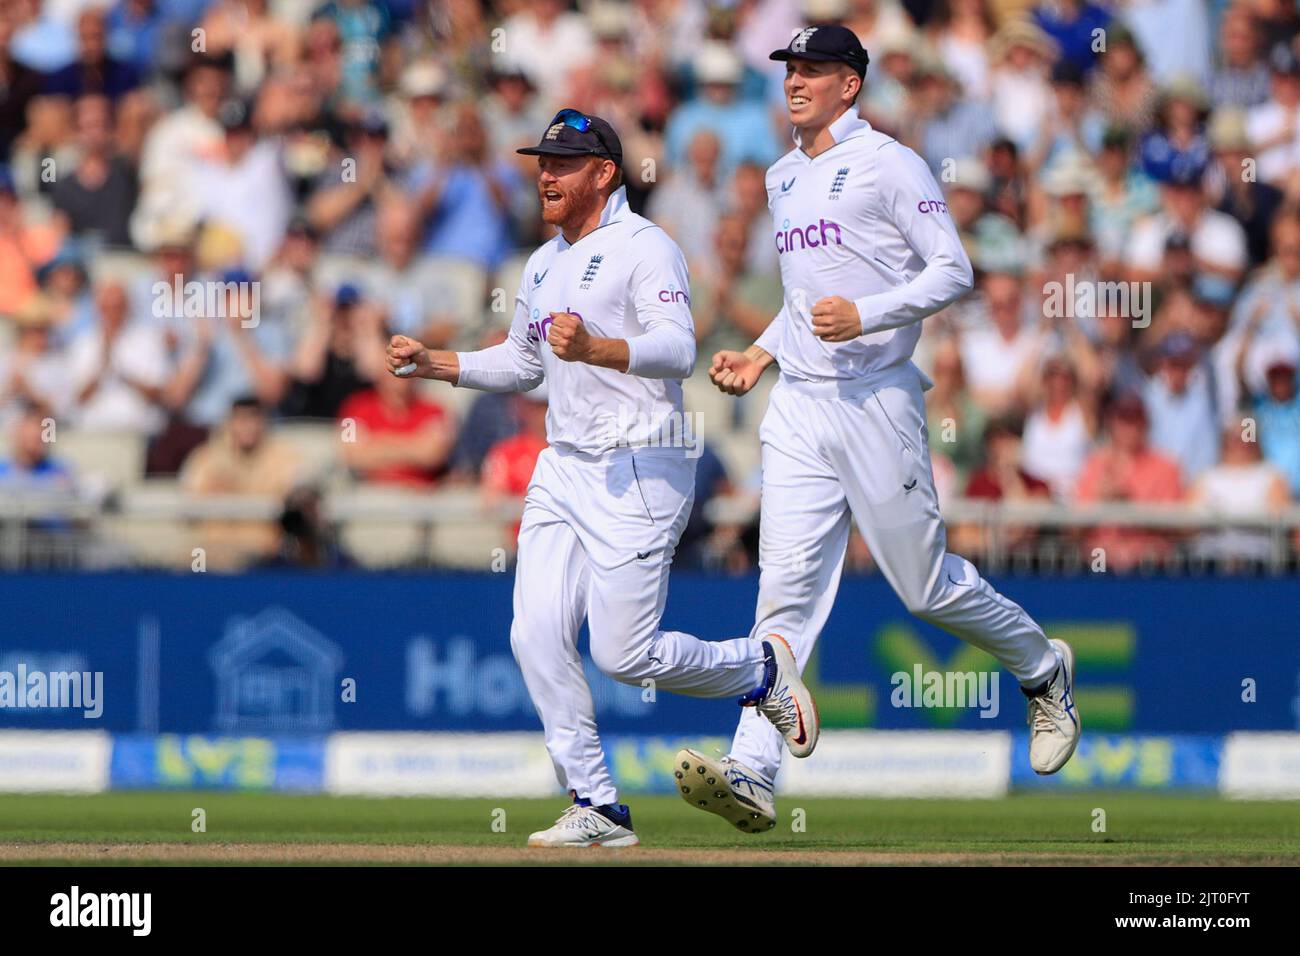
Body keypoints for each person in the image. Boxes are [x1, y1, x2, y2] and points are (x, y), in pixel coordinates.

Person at [385, 109, 814, 848]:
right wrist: (439, 364)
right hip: (564, 465)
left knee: (624, 654)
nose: (545, 174)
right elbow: (524, 362)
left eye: (563, 163)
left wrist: (597, 346)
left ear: (605, 172)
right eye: (541, 162)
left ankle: (761, 670)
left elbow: (679, 350)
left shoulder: (646, 247)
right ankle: (597, 803)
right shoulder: (544, 260)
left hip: (641, 462)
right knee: (534, 634)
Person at [692, 24, 1079, 833]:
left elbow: (953, 269)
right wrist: (763, 353)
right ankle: (754, 772)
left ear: (851, 84)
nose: (796, 81)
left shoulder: (891, 162)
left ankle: (1043, 671)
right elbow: (806, 300)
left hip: (878, 400)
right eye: (790, 67)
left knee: (923, 586)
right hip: (800, 402)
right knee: (782, 596)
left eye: (814, 69)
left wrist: (866, 313)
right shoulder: (781, 176)